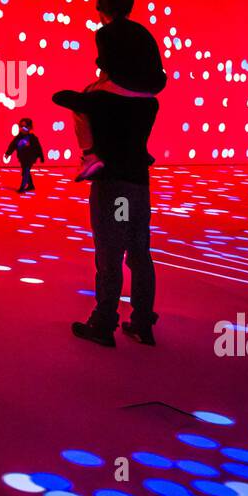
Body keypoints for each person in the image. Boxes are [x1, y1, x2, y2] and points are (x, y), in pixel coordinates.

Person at [52, 80, 159, 347]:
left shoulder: (100, 99)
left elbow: (61, 95)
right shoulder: (149, 102)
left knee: (110, 253)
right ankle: (143, 323)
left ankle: (103, 322)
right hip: (139, 187)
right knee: (139, 253)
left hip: (115, 189)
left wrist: (92, 92)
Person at [73, 0, 166, 182]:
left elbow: (109, 66)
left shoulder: (104, 33)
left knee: (80, 104)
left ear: (101, 10)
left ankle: (89, 155)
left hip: (124, 86)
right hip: (150, 90)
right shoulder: (142, 30)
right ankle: (138, 149)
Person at [4, 117, 45, 194]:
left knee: (25, 171)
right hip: (22, 158)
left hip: (30, 158)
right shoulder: (18, 137)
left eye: (25, 127)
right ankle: (31, 185)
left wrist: (41, 157)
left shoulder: (32, 138)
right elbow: (12, 145)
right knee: (26, 171)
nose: (23, 128)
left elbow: (38, 147)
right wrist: (8, 153)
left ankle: (22, 187)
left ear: (29, 127)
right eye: (21, 126)